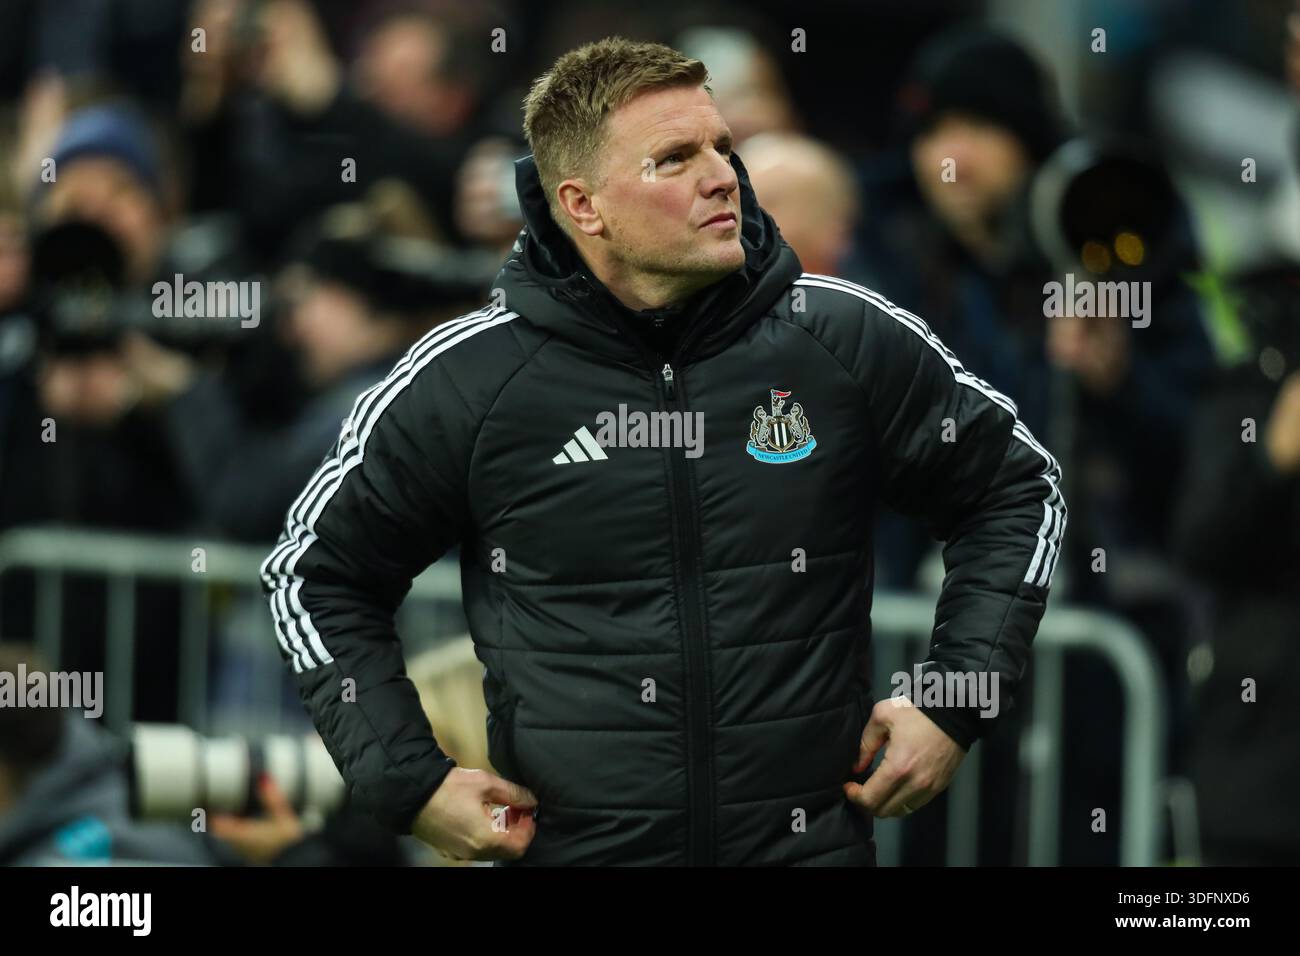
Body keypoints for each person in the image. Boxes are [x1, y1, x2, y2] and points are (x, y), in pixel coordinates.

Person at [262, 37, 1066, 866]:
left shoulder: (839, 337)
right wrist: (411, 781)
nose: (721, 175)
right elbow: (315, 574)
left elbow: (1017, 489)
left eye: (723, 147)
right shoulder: (471, 381)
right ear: (583, 206)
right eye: (673, 159)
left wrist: (952, 703)